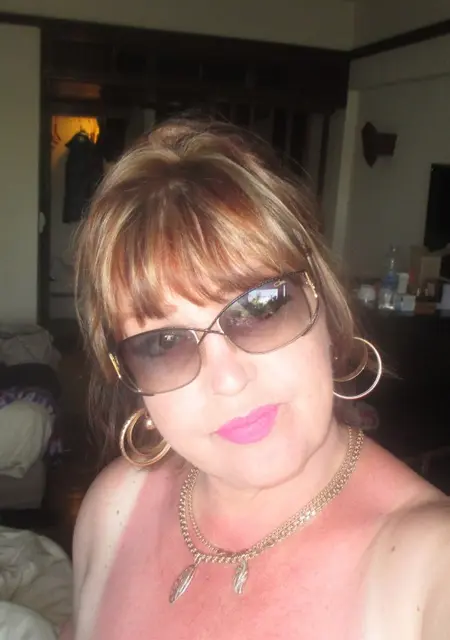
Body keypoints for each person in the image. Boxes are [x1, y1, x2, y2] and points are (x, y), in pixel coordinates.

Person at [65, 117, 449, 639]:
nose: (228, 380)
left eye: (261, 308)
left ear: (324, 304)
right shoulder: (112, 510)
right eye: (164, 343)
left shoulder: (430, 568)